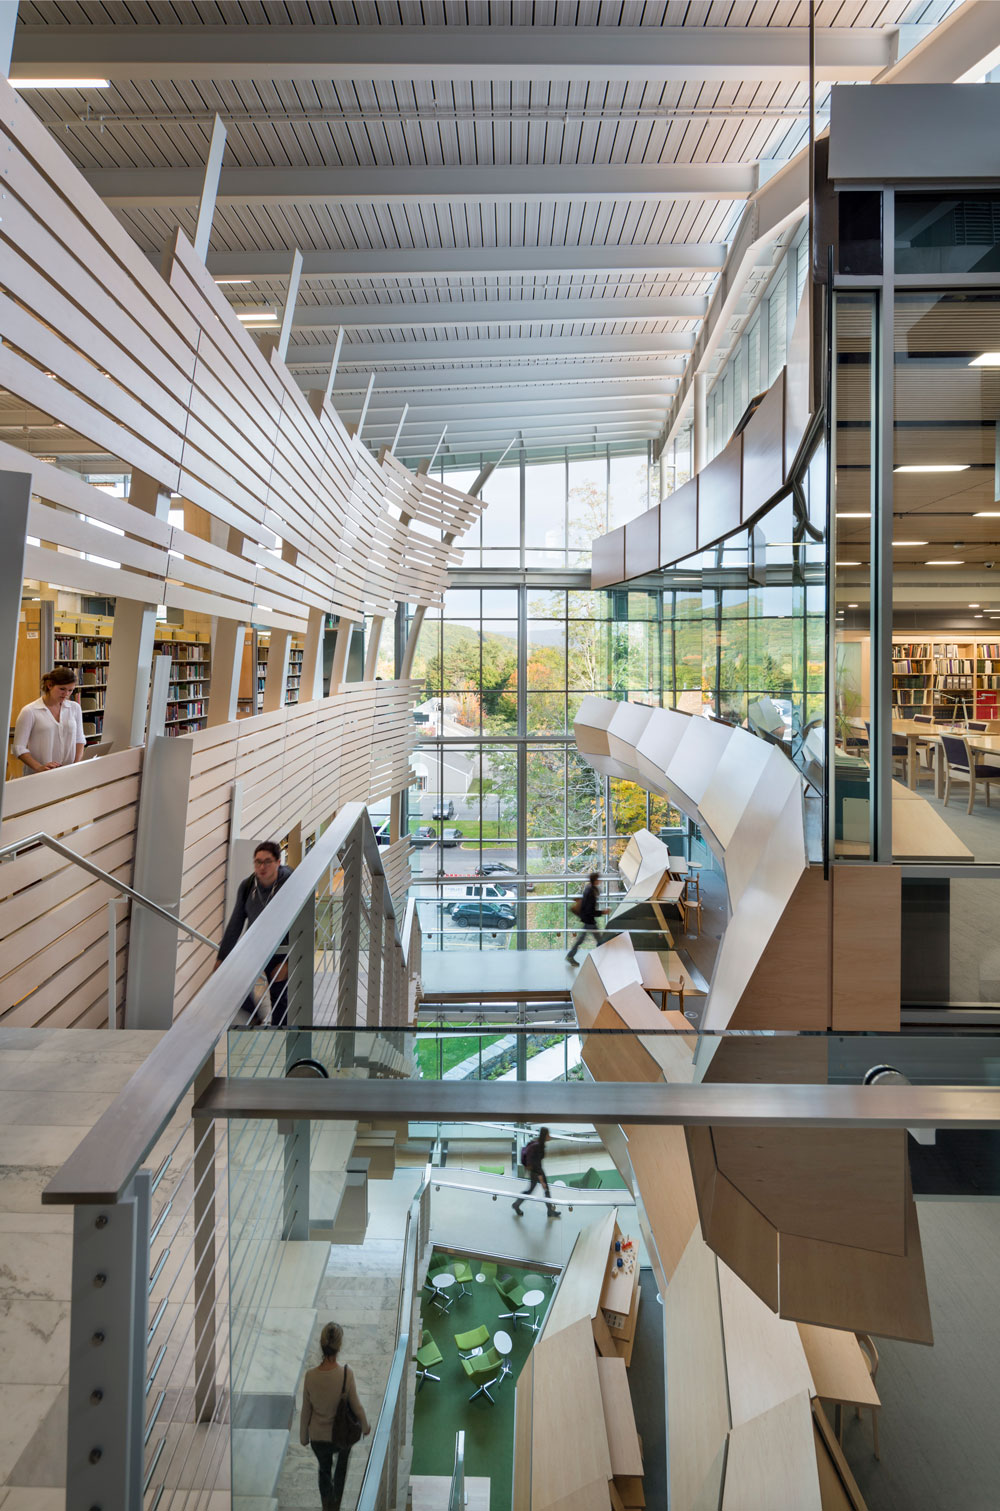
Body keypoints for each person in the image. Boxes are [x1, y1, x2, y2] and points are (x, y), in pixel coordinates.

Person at [216, 841, 293, 1025]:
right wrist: (221, 958)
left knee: (279, 997)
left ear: (278, 862)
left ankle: (280, 1036)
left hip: (282, 948)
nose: (262, 867)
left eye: (267, 861)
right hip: (255, 946)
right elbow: (235, 923)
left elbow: (297, 922)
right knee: (231, 981)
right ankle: (256, 1018)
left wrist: (288, 961)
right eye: (258, 862)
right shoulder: (248, 886)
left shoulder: (290, 883)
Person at [299, 1321, 370, 1511]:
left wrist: (303, 1436)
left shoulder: (310, 1376)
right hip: (341, 1435)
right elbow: (357, 1407)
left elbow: (306, 1410)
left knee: (324, 1469)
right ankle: (336, 1503)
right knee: (343, 1461)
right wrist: (365, 1426)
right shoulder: (346, 1374)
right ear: (339, 1346)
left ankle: (326, 1504)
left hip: (318, 1438)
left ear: (322, 1345)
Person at [12, 667, 85, 774]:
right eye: (62, 689)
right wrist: (39, 767)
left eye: (70, 690)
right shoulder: (30, 711)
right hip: (39, 775)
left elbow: (79, 740)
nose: (66, 694)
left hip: (68, 773)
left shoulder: (75, 708)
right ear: (49, 685)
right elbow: (18, 748)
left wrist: (76, 765)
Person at [513, 1126, 559, 1218]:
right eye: (548, 1134)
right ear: (545, 1136)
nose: (550, 1136)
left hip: (536, 1170)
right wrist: (541, 1179)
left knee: (538, 1190)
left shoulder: (538, 1144)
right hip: (536, 1172)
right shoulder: (539, 1147)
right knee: (539, 1190)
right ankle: (516, 1204)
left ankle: (549, 1210)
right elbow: (536, 1164)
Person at [565, 871, 607, 964]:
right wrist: (602, 912)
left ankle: (570, 956)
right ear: (595, 880)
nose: (600, 881)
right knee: (597, 940)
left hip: (588, 919)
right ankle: (604, 959)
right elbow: (590, 910)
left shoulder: (589, 888)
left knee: (583, 939)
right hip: (589, 920)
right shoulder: (591, 892)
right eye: (598, 879)